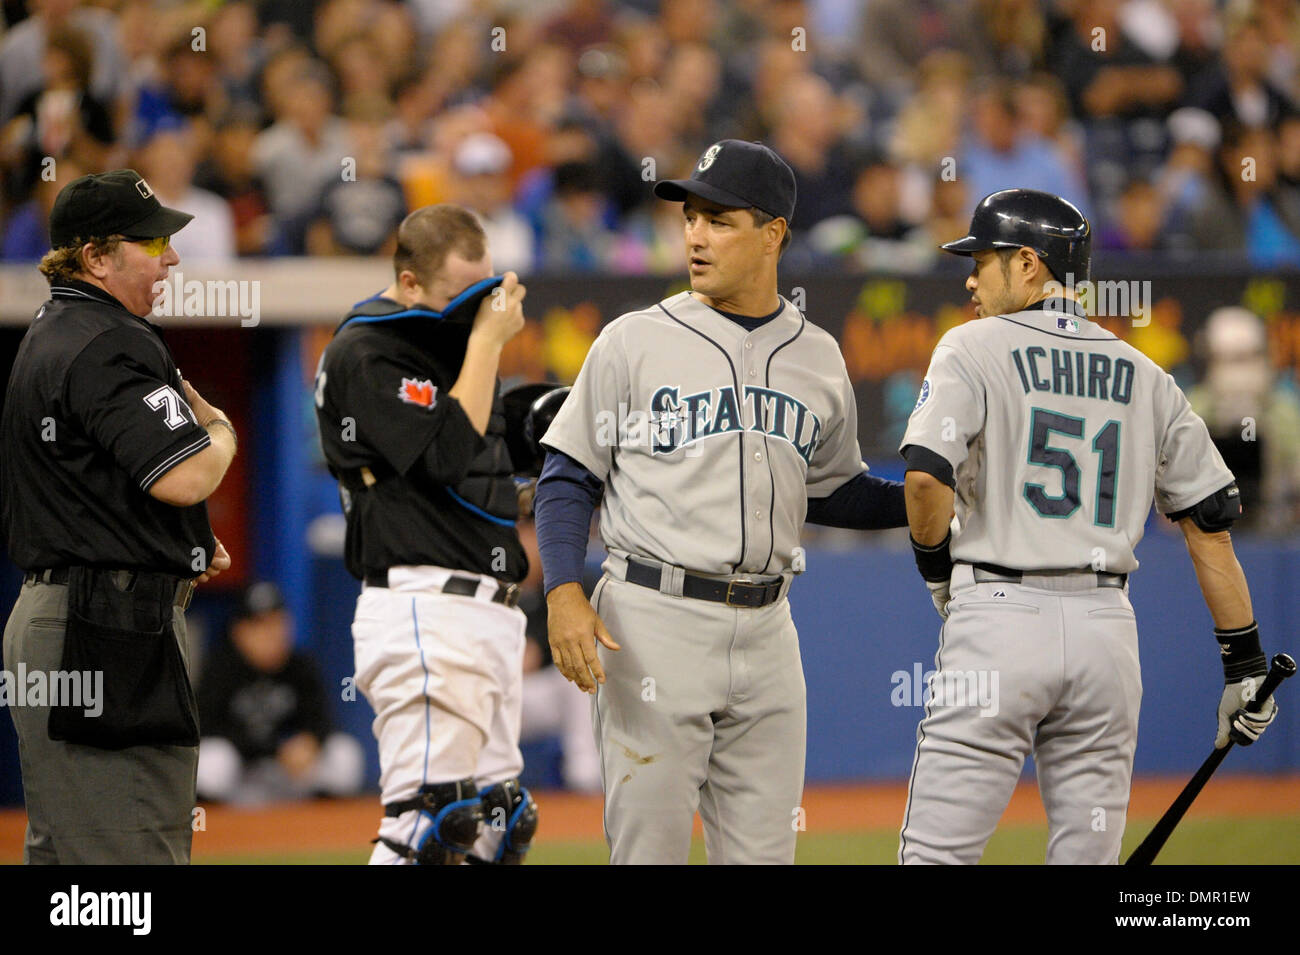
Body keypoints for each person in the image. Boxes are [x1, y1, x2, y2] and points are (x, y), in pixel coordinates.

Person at [535, 140, 907, 865]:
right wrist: (561, 590)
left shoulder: (819, 355)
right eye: (691, 216)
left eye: (719, 218)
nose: (696, 235)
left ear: (774, 233)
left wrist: (929, 507)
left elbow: (832, 490)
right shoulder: (633, 340)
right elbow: (567, 473)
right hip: (653, 619)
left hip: (770, 628)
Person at [897, 188, 1279, 865]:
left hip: (999, 619)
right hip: (1107, 633)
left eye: (983, 260)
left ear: (1027, 265)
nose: (970, 277)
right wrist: (1244, 663)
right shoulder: (1146, 375)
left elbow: (926, 478)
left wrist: (936, 568)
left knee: (935, 856)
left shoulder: (971, 346)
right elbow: (1209, 524)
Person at [1, 168, 236, 864]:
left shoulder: (55, 329)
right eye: (151, 242)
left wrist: (177, 541)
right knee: (127, 862)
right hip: (103, 628)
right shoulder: (108, 338)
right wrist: (221, 429)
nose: (170, 258)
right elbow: (188, 472)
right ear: (97, 256)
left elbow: (83, 483)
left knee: (73, 859)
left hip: (74, 616)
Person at [313, 203, 539, 865]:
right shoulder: (367, 349)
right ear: (410, 282)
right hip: (423, 605)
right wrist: (489, 342)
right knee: (432, 820)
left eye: (484, 288)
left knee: (499, 827)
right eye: (457, 292)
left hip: (488, 611)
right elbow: (446, 455)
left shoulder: (447, 345)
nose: (477, 306)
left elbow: (479, 464)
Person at [196, 581, 365, 804]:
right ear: (239, 631)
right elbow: (206, 728)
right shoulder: (220, 668)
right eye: (261, 625)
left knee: (344, 754)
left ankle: (320, 830)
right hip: (243, 777)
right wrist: (274, 749)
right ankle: (219, 831)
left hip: (290, 774)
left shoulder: (300, 666)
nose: (271, 634)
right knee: (211, 760)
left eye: (277, 624)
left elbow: (323, 719)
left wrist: (310, 741)